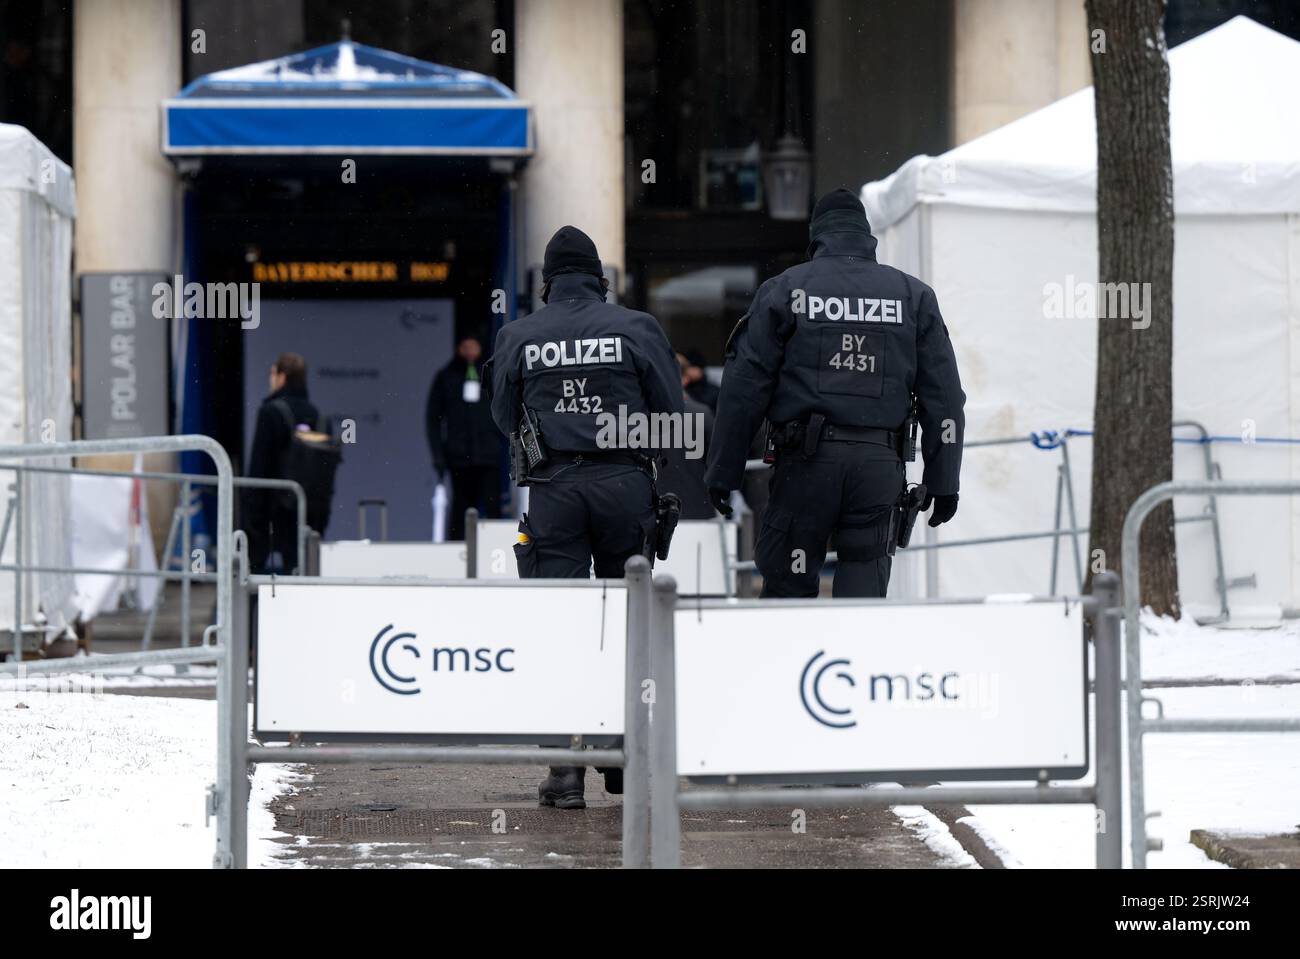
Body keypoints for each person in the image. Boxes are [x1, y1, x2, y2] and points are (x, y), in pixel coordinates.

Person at [487, 225, 682, 810]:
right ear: (601, 278)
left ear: (546, 284)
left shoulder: (518, 334)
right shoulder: (637, 327)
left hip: (555, 489)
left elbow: (502, 414)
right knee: (629, 622)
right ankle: (623, 758)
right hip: (625, 483)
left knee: (560, 629)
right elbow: (670, 410)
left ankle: (565, 772)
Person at [704, 188, 965, 598]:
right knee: (863, 593)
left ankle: (792, 662)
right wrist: (944, 479)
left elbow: (744, 388)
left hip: (805, 466)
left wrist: (724, 471)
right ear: (867, 236)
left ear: (817, 236)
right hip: (878, 468)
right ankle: (855, 660)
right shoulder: (913, 296)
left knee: (788, 592)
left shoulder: (786, 290)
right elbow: (944, 399)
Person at [244, 352, 321, 574]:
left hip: (271, 509)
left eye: (272, 373)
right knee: (300, 571)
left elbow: (259, 465)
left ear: (282, 377)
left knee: (254, 575)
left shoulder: (271, 412)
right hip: (305, 510)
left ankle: (256, 609)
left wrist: (251, 516)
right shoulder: (315, 414)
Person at [425, 331, 503, 541]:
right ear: (458, 348)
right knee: (460, 507)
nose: (469, 352)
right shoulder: (447, 376)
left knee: (492, 507)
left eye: (473, 346)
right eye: (465, 347)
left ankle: (494, 552)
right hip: (459, 456)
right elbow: (433, 419)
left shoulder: (491, 373)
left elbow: (506, 409)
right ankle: (457, 554)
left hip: (488, 455)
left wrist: (504, 443)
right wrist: (438, 455)